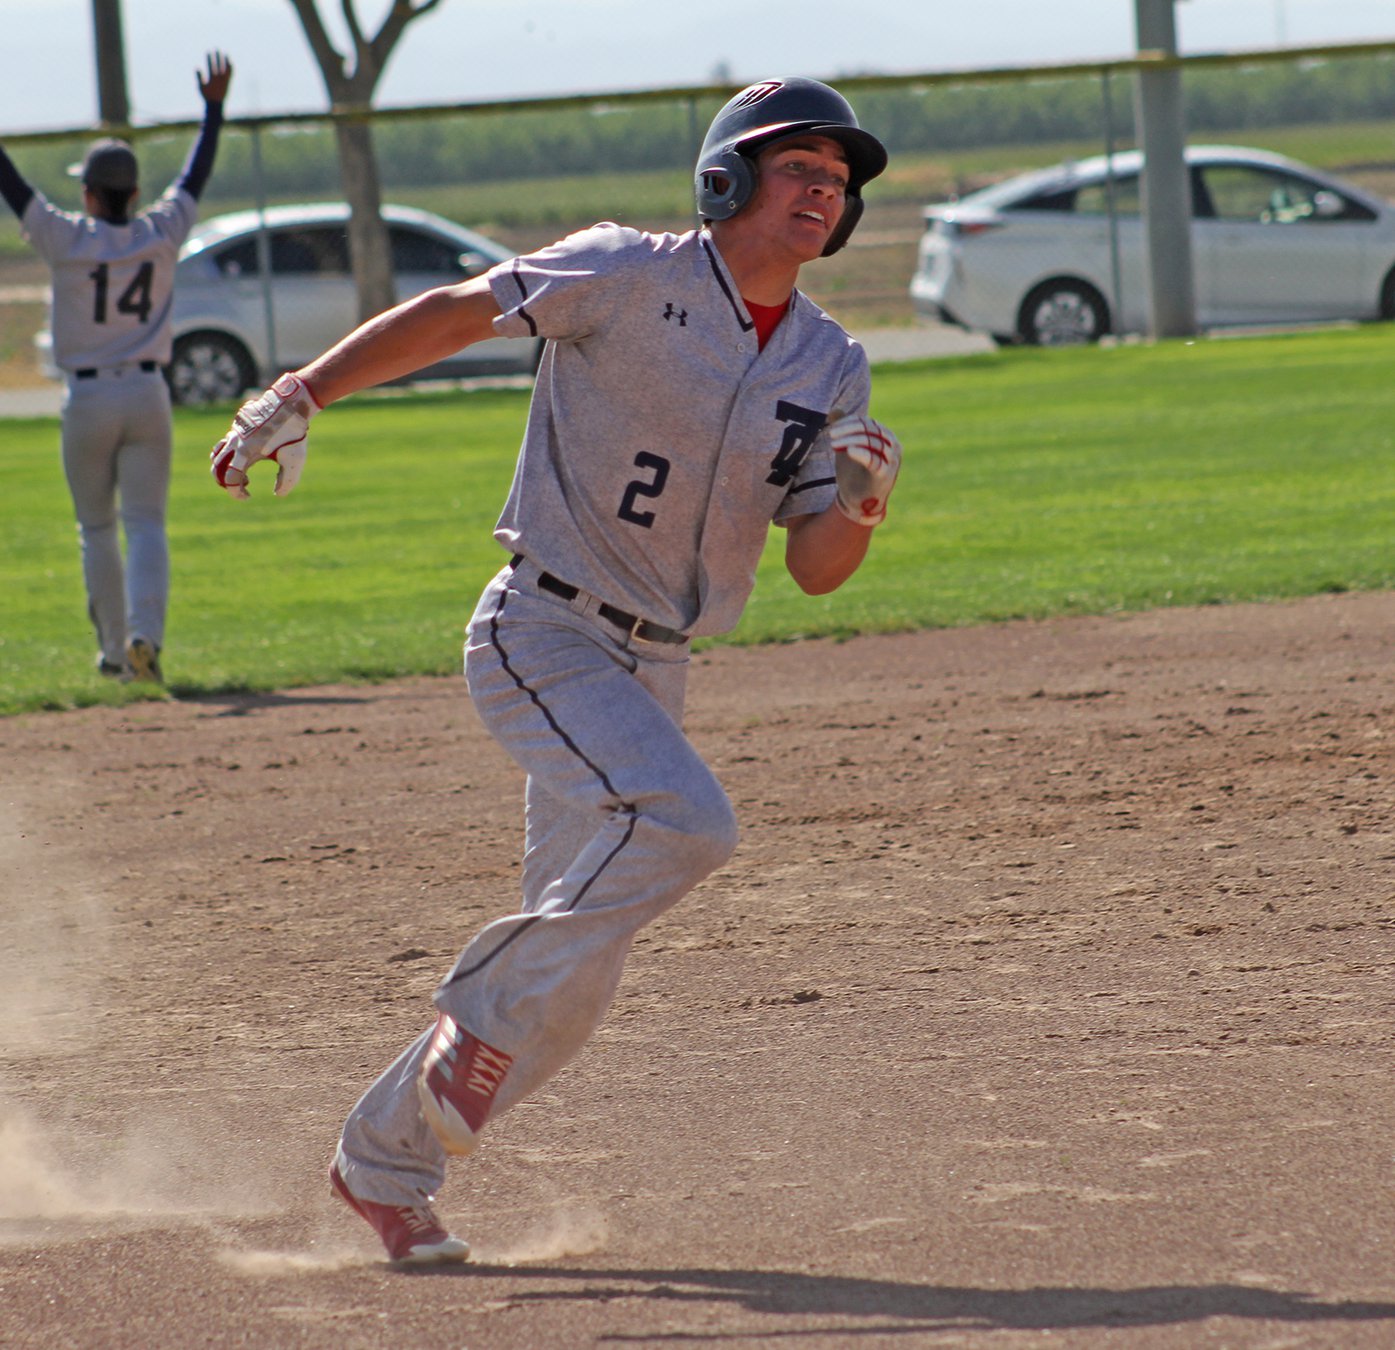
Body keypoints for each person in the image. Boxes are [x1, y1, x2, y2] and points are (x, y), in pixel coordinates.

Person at [210, 76, 903, 1265]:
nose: (823, 192)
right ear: (727, 178)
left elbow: (818, 569)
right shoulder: (624, 272)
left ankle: (382, 1166)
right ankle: (473, 1013)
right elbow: (454, 310)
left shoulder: (831, 360)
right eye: (799, 167)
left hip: (656, 667)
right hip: (544, 631)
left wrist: (863, 504)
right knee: (687, 822)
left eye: (838, 182)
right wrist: (301, 391)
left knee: (569, 1004)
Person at [0, 52, 233, 685]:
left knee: (97, 528)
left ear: (87, 193)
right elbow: (194, 177)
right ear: (133, 194)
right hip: (149, 393)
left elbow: (13, 187)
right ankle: (145, 637)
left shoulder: (65, 236)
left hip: (88, 399)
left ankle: (112, 654)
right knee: (147, 523)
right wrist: (212, 110)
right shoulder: (161, 230)